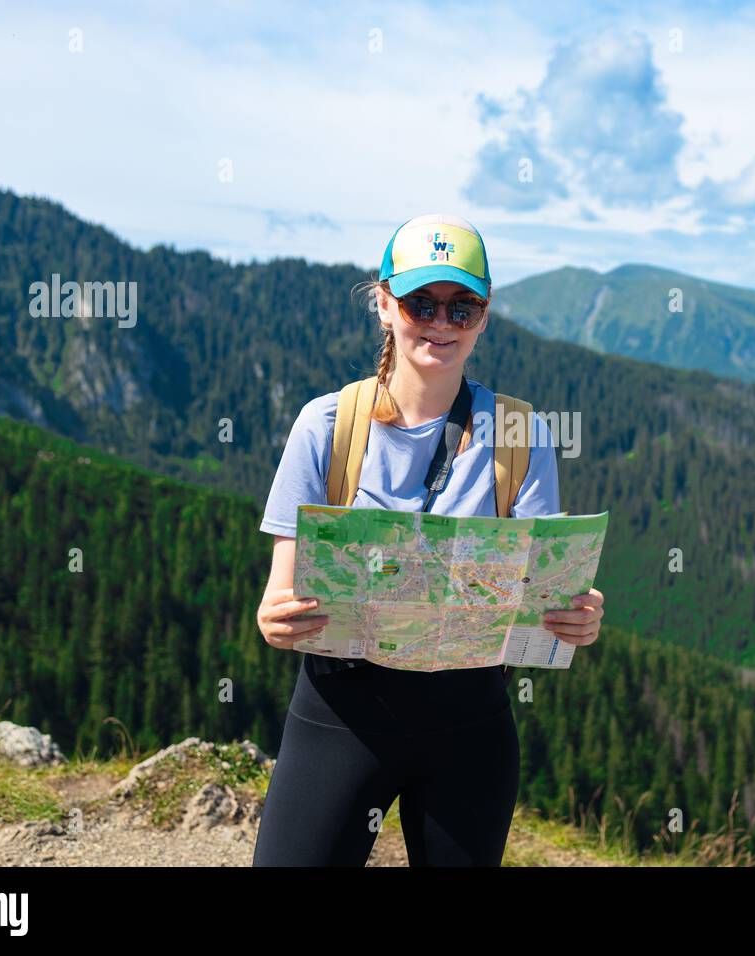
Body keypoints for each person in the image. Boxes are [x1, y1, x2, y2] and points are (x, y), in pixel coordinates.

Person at [251, 213, 605, 866]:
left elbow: (540, 604)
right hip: (341, 717)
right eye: (421, 303)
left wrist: (573, 619)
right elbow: (279, 599)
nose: (441, 323)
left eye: (461, 308)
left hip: (470, 726)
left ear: (484, 316)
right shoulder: (326, 426)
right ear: (384, 304)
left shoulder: (521, 434)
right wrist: (277, 619)